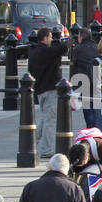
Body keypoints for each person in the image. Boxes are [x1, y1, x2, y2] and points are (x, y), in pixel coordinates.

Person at [27, 28, 68, 157]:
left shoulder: (33, 53)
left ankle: (31, 142)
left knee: (45, 118)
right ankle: (46, 149)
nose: (51, 39)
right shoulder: (47, 52)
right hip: (50, 89)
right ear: (45, 38)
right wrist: (68, 40)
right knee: (50, 120)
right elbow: (62, 49)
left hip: (39, 90)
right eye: (50, 37)